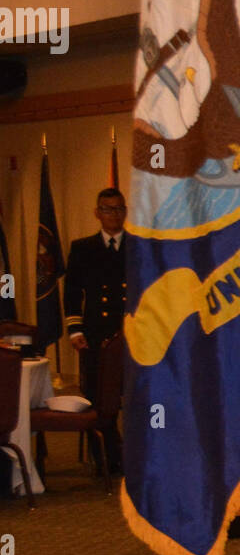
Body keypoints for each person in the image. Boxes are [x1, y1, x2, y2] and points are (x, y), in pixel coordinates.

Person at [63, 187, 127, 475]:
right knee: (98, 398)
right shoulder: (83, 248)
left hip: (132, 334)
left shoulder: (139, 246)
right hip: (96, 335)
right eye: (108, 209)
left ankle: (135, 453)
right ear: (97, 213)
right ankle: (108, 455)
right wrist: (75, 330)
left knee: (138, 397)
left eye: (118, 208)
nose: (114, 214)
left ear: (125, 212)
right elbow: (73, 293)